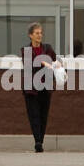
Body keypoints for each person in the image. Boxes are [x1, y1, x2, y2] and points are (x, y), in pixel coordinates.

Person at [20, 22, 58, 153]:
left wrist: (56, 65)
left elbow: (54, 60)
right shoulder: (26, 50)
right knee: (34, 114)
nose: (39, 35)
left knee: (43, 114)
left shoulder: (47, 48)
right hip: (31, 88)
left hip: (45, 86)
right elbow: (31, 63)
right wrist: (44, 62)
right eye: (37, 33)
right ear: (30, 35)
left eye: (41, 33)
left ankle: (40, 141)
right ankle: (37, 141)